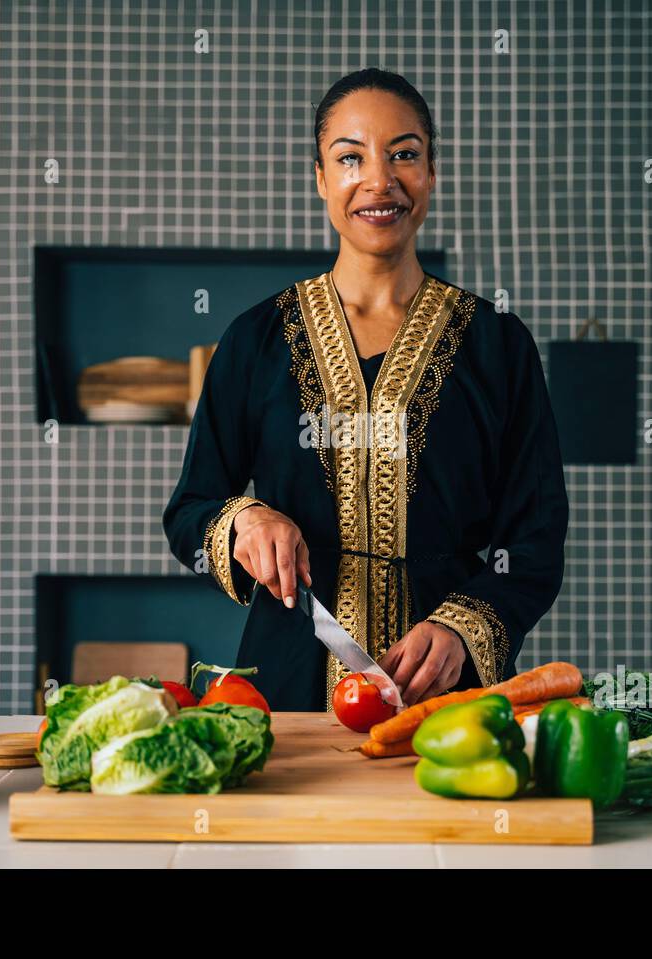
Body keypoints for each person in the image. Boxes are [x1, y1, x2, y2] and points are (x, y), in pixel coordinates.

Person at [164, 68, 568, 712]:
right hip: (287, 684)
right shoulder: (255, 340)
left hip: (446, 696)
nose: (379, 181)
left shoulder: (499, 344)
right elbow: (189, 510)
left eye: (403, 154)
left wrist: (461, 628)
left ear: (432, 171)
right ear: (321, 178)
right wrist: (245, 518)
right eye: (350, 157)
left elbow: (536, 540)